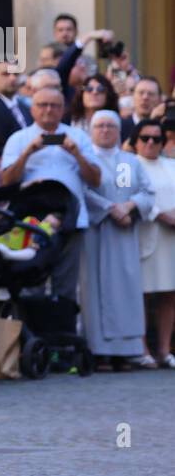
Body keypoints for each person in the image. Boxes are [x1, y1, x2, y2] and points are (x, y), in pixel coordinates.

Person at [0, 86, 102, 301]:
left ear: (63, 108)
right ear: (32, 109)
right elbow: (7, 181)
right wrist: (28, 152)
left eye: (54, 105)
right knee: (29, 283)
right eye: (42, 105)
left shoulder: (78, 137)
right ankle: (30, 333)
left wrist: (76, 154)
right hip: (30, 221)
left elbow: (95, 179)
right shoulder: (19, 138)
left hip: (70, 218)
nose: (48, 110)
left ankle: (63, 333)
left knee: (66, 287)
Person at [81, 111, 153, 367]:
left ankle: (126, 352)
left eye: (110, 126)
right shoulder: (86, 160)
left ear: (119, 130)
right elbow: (83, 191)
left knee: (125, 290)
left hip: (124, 234)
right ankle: (98, 350)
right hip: (96, 233)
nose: (105, 130)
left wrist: (130, 206)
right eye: (99, 126)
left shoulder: (129, 161)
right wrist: (111, 208)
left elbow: (147, 191)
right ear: (91, 130)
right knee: (95, 290)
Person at [134, 118, 175, 367]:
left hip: (170, 238)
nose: (151, 143)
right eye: (145, 138)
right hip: (142, 234)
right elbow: (122, 196)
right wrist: (158, 213)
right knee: (141, 294)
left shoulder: (171, 165)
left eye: (156, 138)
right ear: (135, 140)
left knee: (169, 293)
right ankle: (141, 347)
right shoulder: (126, 165)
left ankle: (164, 349)